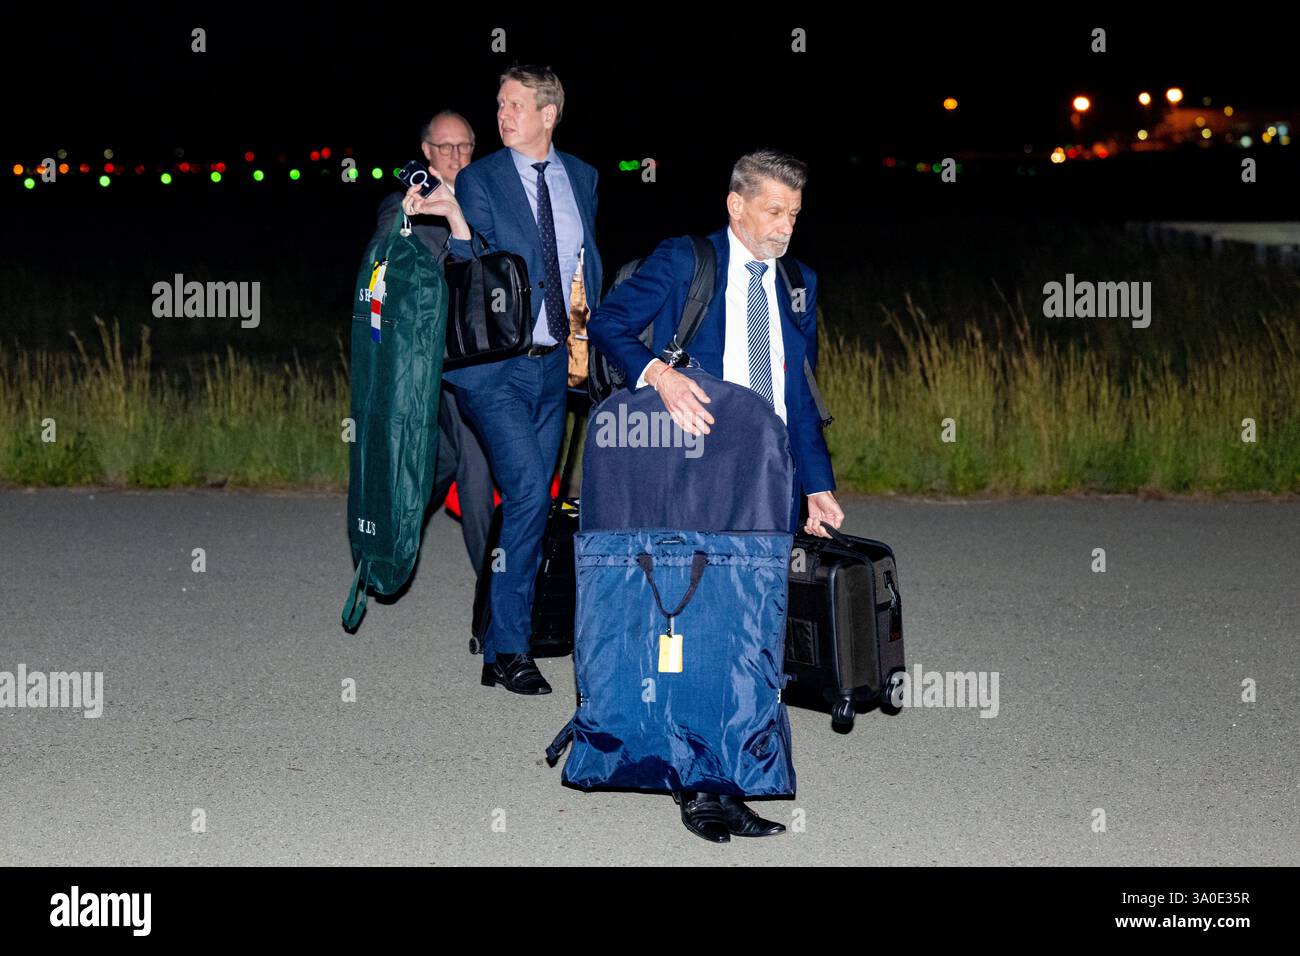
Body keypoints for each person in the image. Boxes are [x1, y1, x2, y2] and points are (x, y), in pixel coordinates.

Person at [586, 148, 845, 842]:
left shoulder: (799, 284)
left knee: (754, 635)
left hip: (770, 480)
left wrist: (817, 485)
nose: (785, 225)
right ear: (736, 206)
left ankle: (735, 778)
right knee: (696, 627)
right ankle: (697, 784)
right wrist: (659, 378)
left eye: (794, 213)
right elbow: (606, 326)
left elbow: (801, 392)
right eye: (773, 210)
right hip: (698, 474)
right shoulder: (686, 262)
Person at [403, 65, 603, 696]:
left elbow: (582, 269)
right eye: (499, 104)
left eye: (516, 105)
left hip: (553, 371)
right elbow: (472, 263)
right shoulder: (483, 177)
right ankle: (510, 649)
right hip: (494, 373)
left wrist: (595, 343)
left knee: (534, 506)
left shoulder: (584, 178)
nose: (503, 114)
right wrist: (455, 221)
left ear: (549, 114)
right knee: (524, 494)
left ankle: (496, 636)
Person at [371, 110, 494, 573]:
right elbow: (387, 256)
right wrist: (407, 216)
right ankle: (495, 601)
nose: (455, 156)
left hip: (484, 352)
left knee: (447, 459)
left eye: (464, 146)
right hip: (432, 358)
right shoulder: (405, 203)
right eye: (445, 147)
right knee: (468, 459)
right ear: (425, 151)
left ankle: (389, 537)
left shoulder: (486, 199)